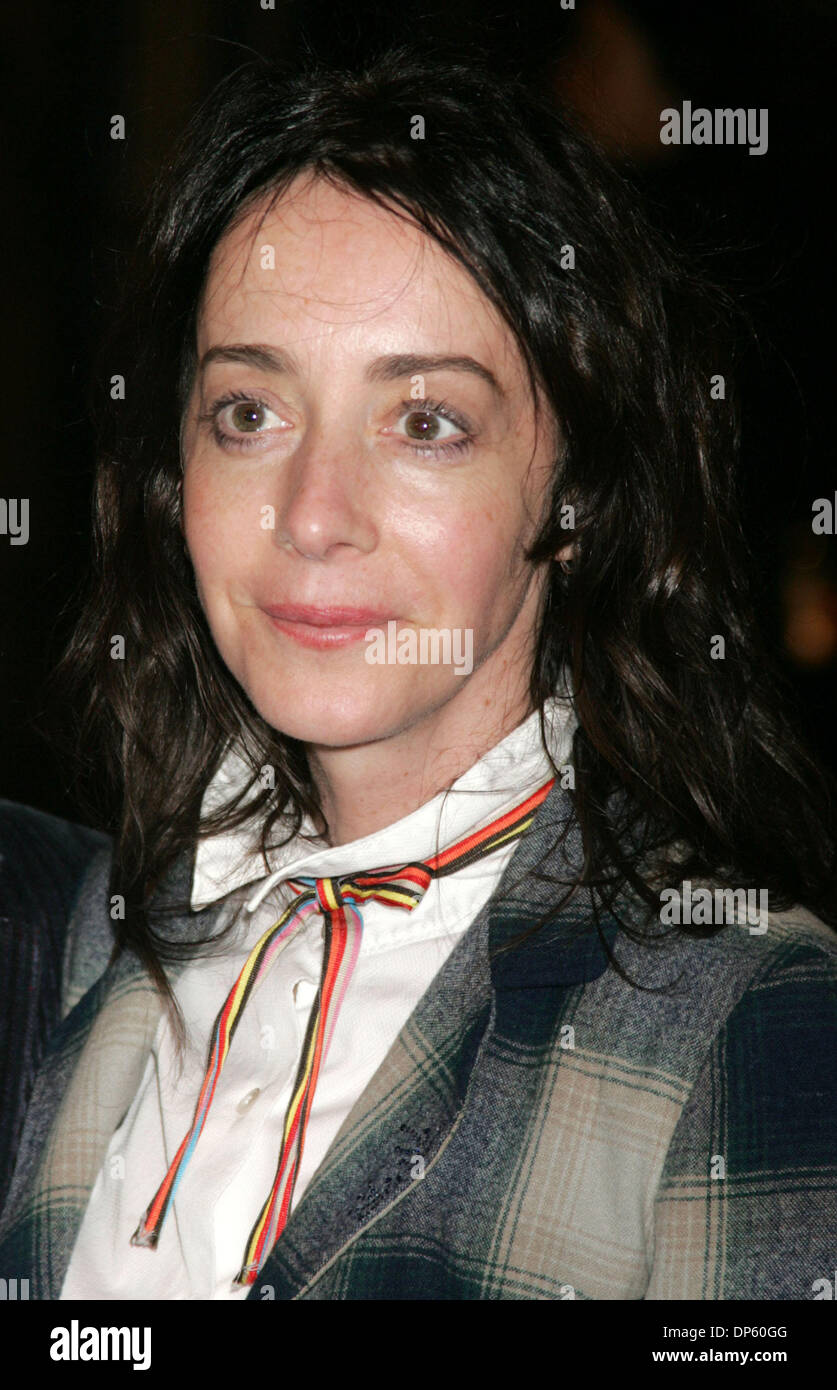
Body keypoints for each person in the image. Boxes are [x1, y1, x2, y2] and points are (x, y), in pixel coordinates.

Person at [1, 48, 835, 1301]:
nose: (312, 515)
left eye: (426, 421)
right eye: (249, 413)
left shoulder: (750, 1019)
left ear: (578, 496)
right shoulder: (67, 947)